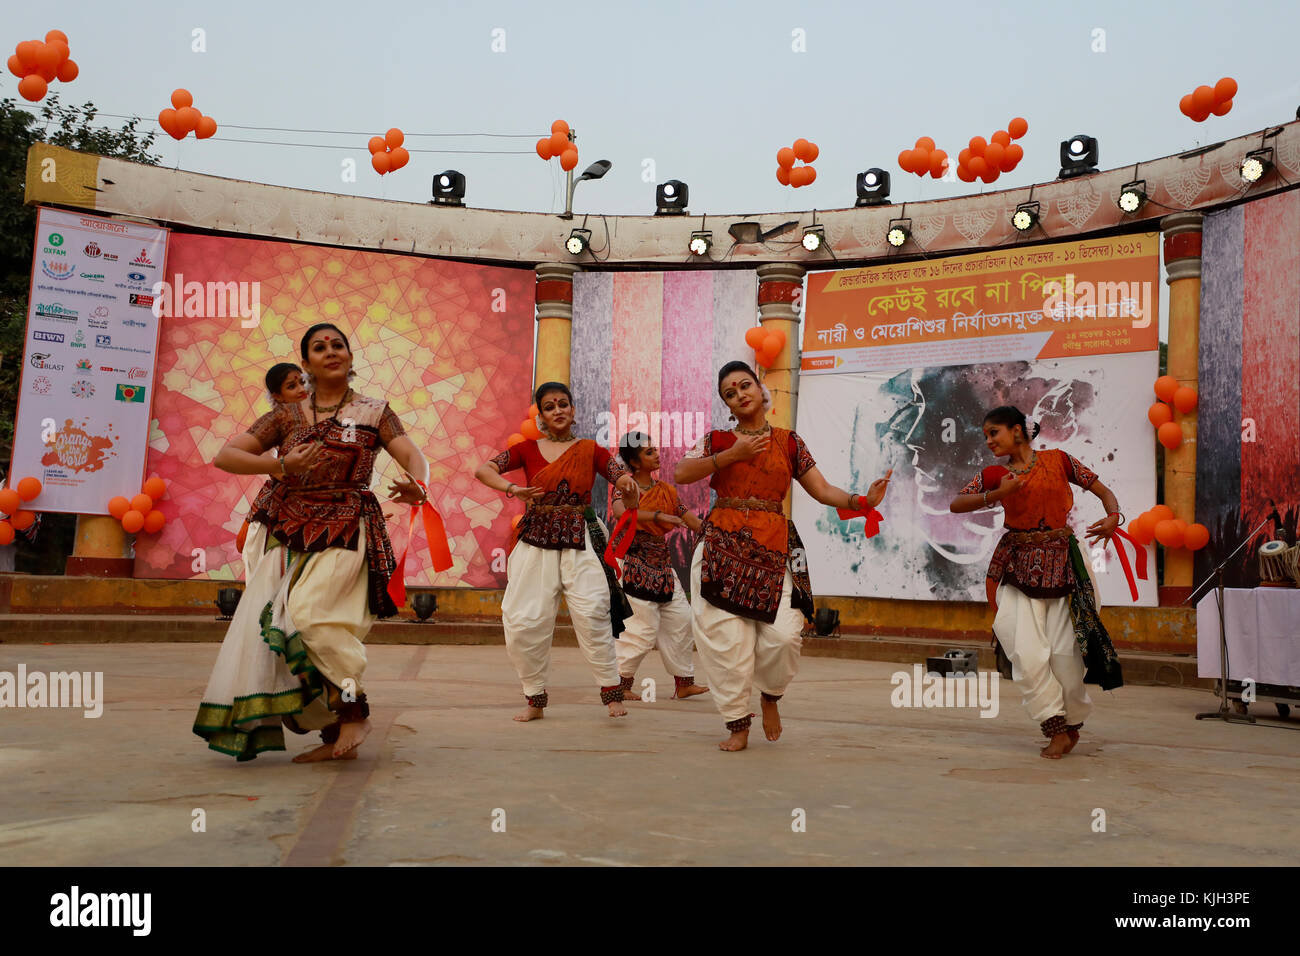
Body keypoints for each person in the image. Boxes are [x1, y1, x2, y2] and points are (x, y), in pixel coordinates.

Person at [193, 323, 428, 762]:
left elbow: (412, 454)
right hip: (290, 530)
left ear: (350, 358)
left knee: (312, 616)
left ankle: (355, 712)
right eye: (319, 348)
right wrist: (280, 464)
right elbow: (226, 455)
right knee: (281, 631)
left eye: (338, 345)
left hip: (347, 526)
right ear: (305, 364)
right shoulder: (287, 415)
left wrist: (419, 484)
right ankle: (336, 731)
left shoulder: (375, 412)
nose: (330, 351)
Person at [675, 361, 890, 752]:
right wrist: (732, 454)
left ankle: (770, 696)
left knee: (784, 636)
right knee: (728, 643)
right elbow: (682, 473)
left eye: (745, 385)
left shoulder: (790, 442)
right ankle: (737, 724)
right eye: (730, 392)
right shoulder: (718, 440)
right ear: (727, 403)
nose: (740, 394)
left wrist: (862, 500)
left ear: (759, 389)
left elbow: (822, 491)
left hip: (773, 546)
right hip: (723, 547)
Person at [948, 405, 1124, 759]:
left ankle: (1072, 723)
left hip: (1064, 568)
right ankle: (1054, 726)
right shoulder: (997, 473)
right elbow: (956, 503)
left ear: (1016, 431)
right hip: (1018, 569)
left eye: (993, 433)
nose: (988, 441)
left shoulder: (1059, 460)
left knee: (1064, 657)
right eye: (985, 436)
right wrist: (998, 495)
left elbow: (1104, 491)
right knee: (1026, 654)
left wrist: (1113, 517)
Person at [474, 382, 641, 721]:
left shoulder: (590, 449)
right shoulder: (525, 449)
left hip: (580, 538)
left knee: (594, 611)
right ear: (542, 415)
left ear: (573, 409)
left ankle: (611, 693)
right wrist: (513, 489)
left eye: (563, 404)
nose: (558, 411)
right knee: (524, 620)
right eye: (549, 407)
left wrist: (625, 483)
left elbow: (619, 475)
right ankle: (535, 697)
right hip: (536, 537)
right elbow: (483, 470)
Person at [611, 430, 709, 703]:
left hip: (662, 567)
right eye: (649, 452)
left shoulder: (665, 490)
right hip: (633, 563)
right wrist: (657, 516)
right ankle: (620, 683)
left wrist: (714, 536)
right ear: (636, 461)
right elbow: (621, 512)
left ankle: (684, 683)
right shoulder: (625, 487)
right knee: (641, 629)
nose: (657, 454)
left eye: (655, 449)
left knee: (680, 619)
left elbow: (687, 517)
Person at [236, 363, 307, 578]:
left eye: (303, 382)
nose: (302, 389)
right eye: (292, 386)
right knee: (273, 570)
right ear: (279, 396)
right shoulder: (276, 423)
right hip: (282, 506)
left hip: (321, 503)